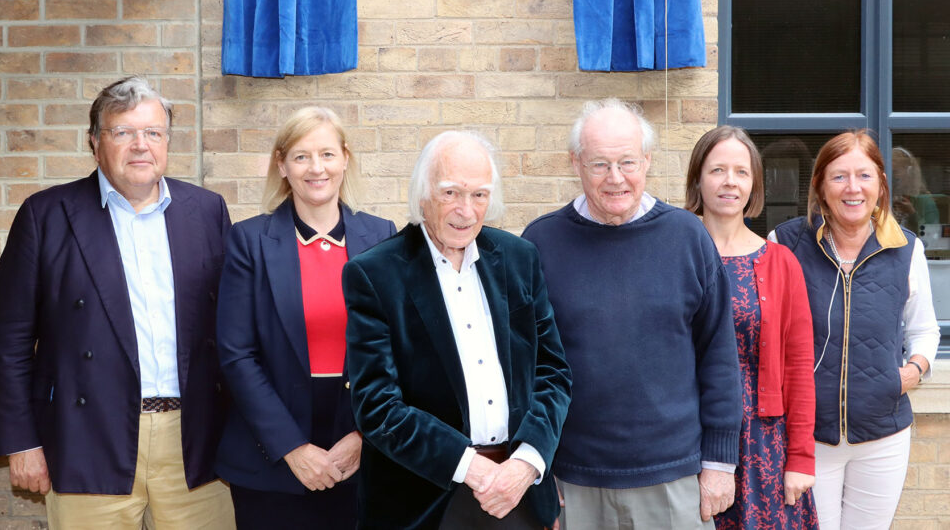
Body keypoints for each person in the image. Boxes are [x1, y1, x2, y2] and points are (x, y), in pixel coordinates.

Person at [0, 76, 235, 529]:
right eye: (123, 132)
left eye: (153, 132)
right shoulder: (47, 215)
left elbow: (233, 328)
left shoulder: (207, 211)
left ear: (167, 141)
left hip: (194, 443)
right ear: (95, 143)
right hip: (88, 438)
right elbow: (8, 338)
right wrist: (21, 442)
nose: (141, 145)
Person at [522, 98, 742, 529]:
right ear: (576, 163)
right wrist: (534, 467)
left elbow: (718, 354)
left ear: (647, 161)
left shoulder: (687, 237)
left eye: (627, 162)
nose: (616, 178)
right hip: (573, 480)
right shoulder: (540, 242)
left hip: (675, 476)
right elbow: (526, 367)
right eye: (600, 164)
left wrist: (720, 462)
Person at [343, 131, 572, 529]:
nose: (466, 211)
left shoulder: (519, 258)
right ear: (423, 193)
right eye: (450, 193)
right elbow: (377, 406)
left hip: (517, 492)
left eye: (479, 195)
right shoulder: (374, 274)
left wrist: (527, 462)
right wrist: (475, 469)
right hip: (424, 501)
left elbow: (552, 373)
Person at [215, 107, 396, 529]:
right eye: (301, 156)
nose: (317, 168)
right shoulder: (249, 241)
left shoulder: (383, 236)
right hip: (271, 451)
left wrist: (364, 436)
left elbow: (398, 351)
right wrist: (292, 447)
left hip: (360, 442)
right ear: (281, 165)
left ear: (345, 159)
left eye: (327, 154)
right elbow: (236, 354)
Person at [771, 131, 940, 530]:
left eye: (864, 176)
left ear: (881, 185)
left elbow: (926, 330)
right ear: (820, 187)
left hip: (882, 436)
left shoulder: (906, 249)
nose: (853, 188)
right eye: (839, 176)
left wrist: (909, 374)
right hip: (806, 437)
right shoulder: (785, 243)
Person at [684, 126, 818, 529]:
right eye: (717, 170)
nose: (730, 181)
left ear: (754, 184)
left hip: (762, 443)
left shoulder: (780, 263)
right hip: (685, 438)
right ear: (697, 180)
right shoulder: (673, 255)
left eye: (741, 172)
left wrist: (800, 458)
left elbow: (799, 368)